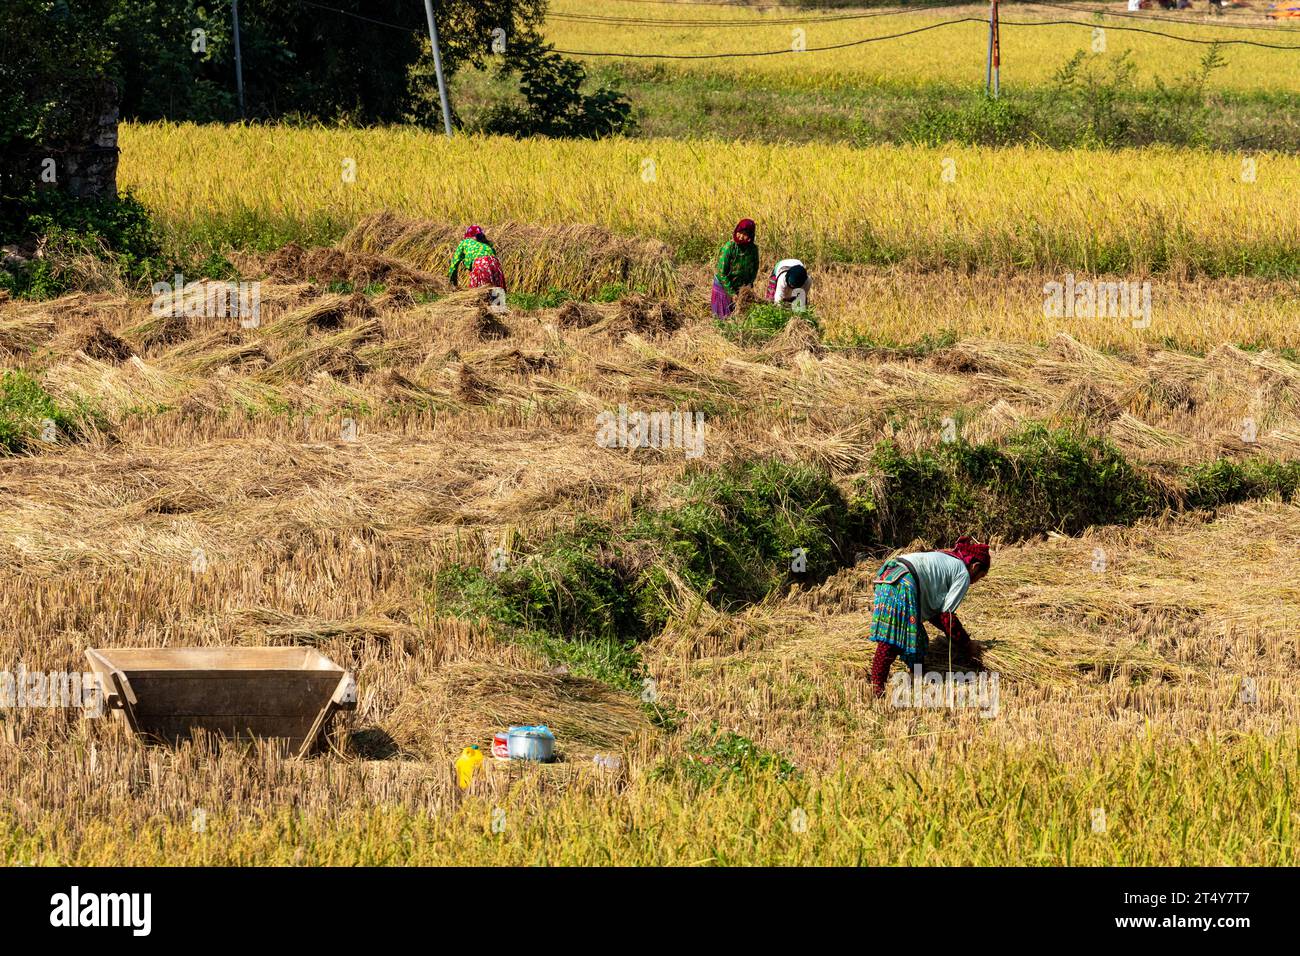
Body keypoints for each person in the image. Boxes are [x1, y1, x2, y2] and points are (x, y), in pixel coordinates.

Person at [866, 535, 991, 697]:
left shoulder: (947, 558)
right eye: (981, 576)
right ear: (975, 566)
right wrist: (967, 644)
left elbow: (937, 614)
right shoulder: (963, 573)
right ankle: (877, 688)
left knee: (918, 638)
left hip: (888, 575)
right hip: (903, 583)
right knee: (892, 641)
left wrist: (957, 638)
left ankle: (918, 675)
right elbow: (947, 617)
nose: (977, 581)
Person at [711, 218, 759, 318]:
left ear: (751, 236)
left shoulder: (753, 249)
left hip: (740, 288)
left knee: (740, 318)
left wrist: (747, 287)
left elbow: (754, 269)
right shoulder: (729, 248)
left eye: (745, 234)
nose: (741, 237)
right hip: (724, 287)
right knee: (724, 319)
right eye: (739, 232)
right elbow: (721, 273)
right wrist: (732, 293)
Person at [449, 225, 506, 290]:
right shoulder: (486, 245)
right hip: (495, 264)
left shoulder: (465, 242)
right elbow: (493, 255)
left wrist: (452, 282)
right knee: (496, 295)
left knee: (479, 294)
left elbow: (454, 263)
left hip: (481, 265)